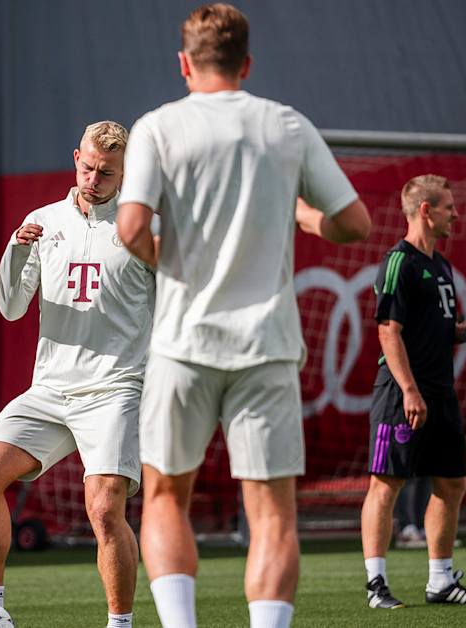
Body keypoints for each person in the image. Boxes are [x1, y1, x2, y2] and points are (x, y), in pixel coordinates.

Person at [115, 5, 371, 627]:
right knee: (273, 515)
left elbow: (130, 229)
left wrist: (172, 261)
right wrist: (308, 218)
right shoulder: (286, 125)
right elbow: (355, 224)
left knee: (165, 498)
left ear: (184, 64)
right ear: (246, 64)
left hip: (182, 344)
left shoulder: (157, 126)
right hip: (266, 347)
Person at [0, 121, 154, 628]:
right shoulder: (42, 222)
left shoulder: (141, 228)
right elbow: (10, 307)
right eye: (88, 167)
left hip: (115, 388)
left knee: (104, 508)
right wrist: (18, 249)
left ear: (124, 173)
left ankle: (120, 625)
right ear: (76, 159)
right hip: (50, 389)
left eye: (107, 172)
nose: (94, 179)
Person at [359, 174, 466, 609]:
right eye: (449, 207)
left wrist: (465, 332)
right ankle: (376, 586)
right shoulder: (398, 261)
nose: (456, 214)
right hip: (402, 393)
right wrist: (409, 391)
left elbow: (435, 328)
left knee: (452, 483)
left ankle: (440, 581)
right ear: (425, 211)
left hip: (440, 391)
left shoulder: (442, 266)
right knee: (386, 483)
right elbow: (388, 331)